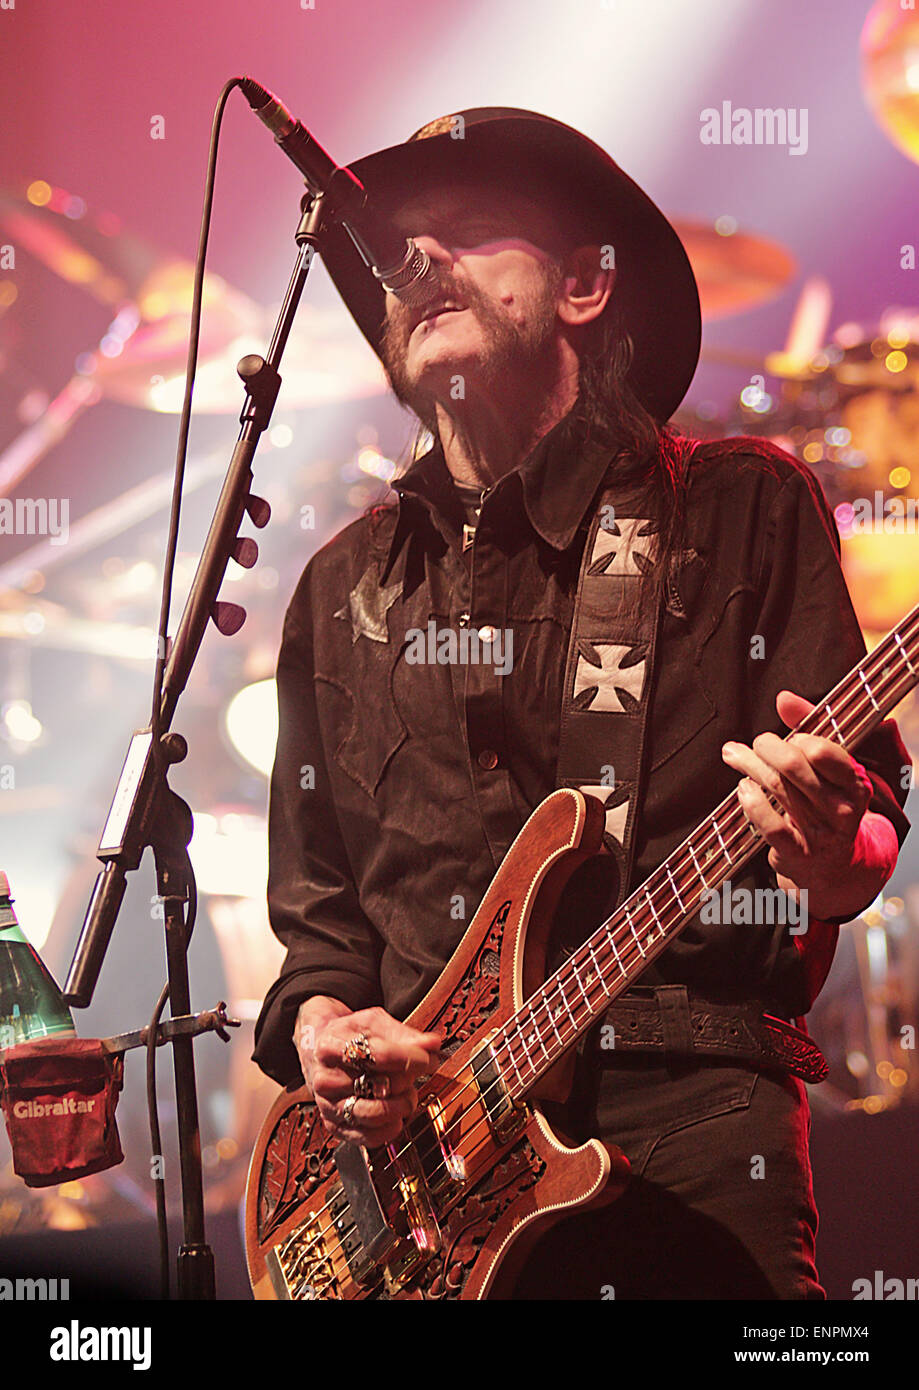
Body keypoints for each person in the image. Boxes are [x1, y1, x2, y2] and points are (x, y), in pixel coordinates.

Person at [252, 109, 911, 1298]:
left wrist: (829, 845)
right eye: (403, 242)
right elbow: (321, 936)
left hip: (696, 1133)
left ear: (585, 285)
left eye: (471, 230)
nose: (420, 261)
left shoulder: (735, 509)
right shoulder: (338, 591)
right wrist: (329, 1031)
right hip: (427, 1194)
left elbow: (865, 831)